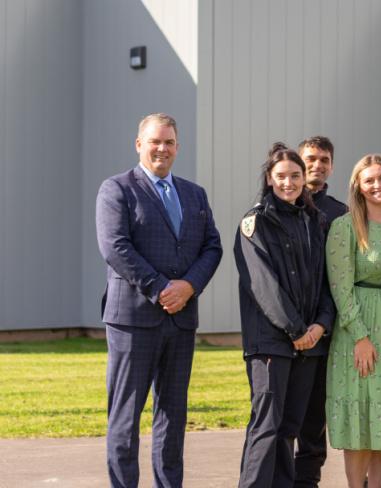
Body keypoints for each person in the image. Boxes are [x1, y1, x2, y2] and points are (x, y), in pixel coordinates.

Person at [95, 113, 223, 488]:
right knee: (125, 418)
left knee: (173, 417)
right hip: (133, 320)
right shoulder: (117, 189)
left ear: (177, 147)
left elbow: (212, 246)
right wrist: (160, 288)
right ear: (139, 144)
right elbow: (115, 246)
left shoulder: (194, 194)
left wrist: (189, 287)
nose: (161, 149)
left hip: (180, 321)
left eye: (169, 142)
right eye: (154, 141)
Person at [235, 143, 336, 488]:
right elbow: (262, 284)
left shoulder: (315, 221)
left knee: (290, 428)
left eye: (295, 176)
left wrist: (320, 325)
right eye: (281, 176)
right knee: (266, 428)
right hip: (271, 344)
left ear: (304, 179)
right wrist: (296, 330)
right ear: (269, 178)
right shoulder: (255, 223)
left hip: (309, 343)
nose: (288, 183)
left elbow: (326, 280)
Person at [325, 154, 381, 488]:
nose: (377, 185)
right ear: (358, 187)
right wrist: (360, 337)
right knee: (362, 417)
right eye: (369, 180)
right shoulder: (345, 226)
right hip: (361, 328)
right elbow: (340, 286)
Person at [294, 135, 348, 487]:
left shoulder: (340, 213)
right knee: (284, 419)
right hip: (285, 329)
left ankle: (307, 482)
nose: (317, 165)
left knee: (314, 418)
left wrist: (323, 323)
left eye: (324, 159)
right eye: (310, 158)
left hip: (325, 329)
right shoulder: (280, 204)